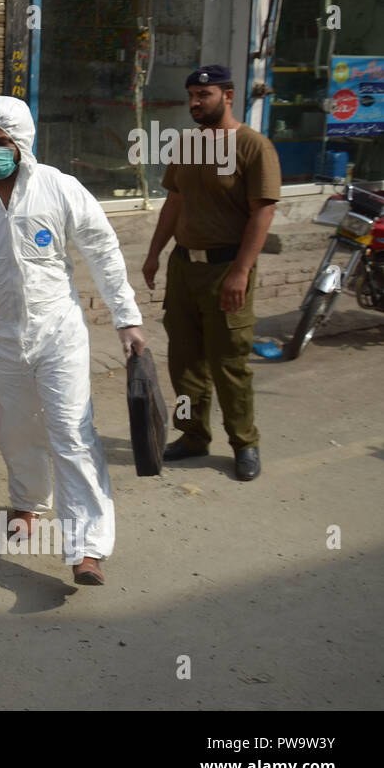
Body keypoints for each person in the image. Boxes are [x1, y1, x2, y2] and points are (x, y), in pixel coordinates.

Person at [0, 96, 146, 586]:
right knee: (16, 428)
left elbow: (102, 249)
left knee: (71, 431)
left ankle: (87, 547)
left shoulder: (59, 189)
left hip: (59, 332)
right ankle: (29, 502)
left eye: (1, 143)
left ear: (22, 143)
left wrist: (126, 318)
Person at [142, 65, 281, 482]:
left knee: (229, 363)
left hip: (227, 270)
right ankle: (192, 435)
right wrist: (153, 254)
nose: (195, 103)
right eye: (191, 96)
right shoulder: (186, 144)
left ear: (228, 95)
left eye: (204, 95)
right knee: (184, 361)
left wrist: (242, 271)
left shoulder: (253, 147)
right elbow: (174, 203)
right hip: (185, 268)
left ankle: (244, 442)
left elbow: (263, 213)